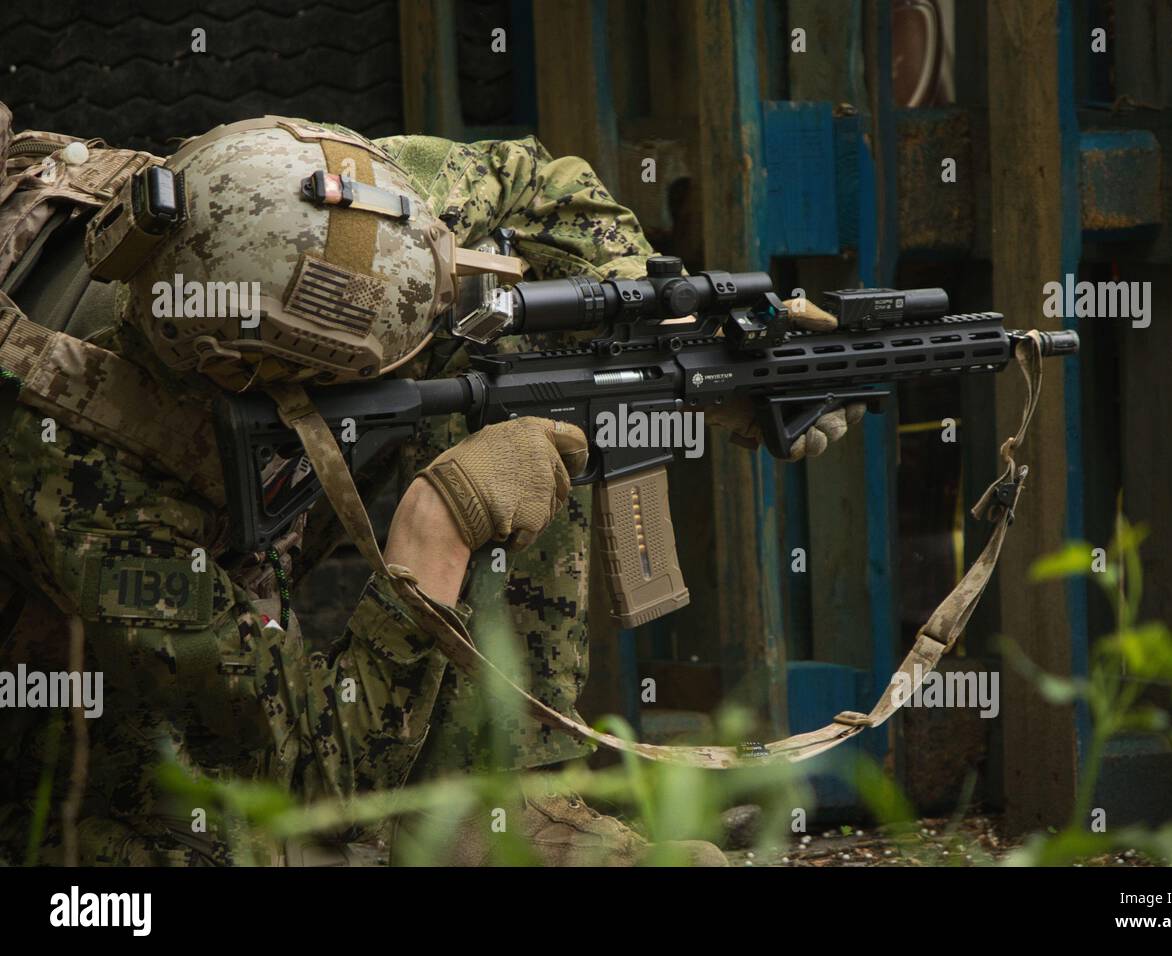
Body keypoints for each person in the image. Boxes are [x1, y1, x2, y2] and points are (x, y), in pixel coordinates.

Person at [0, 112, 858, 865]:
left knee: (534, 344)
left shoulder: (295, 193)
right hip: (59, 668)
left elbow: (545, 186)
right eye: (369, 375)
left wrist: (680, 359)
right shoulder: (92, 497)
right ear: (235, 376)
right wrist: (436, 528)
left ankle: (494, 803)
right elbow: (319, 771)